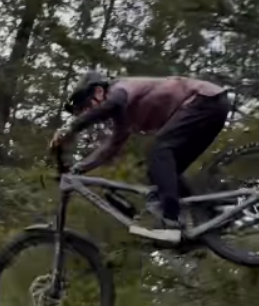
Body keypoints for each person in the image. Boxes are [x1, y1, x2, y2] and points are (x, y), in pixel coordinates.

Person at [48, 70, 232, 243]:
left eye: (86, 106)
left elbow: (112, 104)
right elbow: (110, 148)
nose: (88, 113)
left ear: (98, 91)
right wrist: (79, 168)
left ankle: (171, 222)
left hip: (204, 101)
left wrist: (70, 129)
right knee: (162, 173)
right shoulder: (123, 117)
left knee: (159, 152)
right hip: (213, 107)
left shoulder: (119, 89)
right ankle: (211, 213)